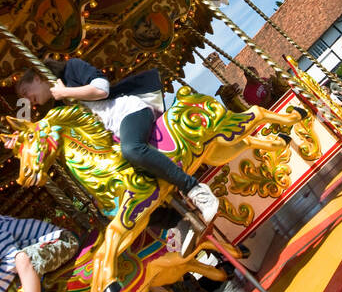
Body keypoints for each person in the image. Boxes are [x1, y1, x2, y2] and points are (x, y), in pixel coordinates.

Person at [17, 60, 219, 253]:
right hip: (114, 137)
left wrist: (66, 92)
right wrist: (19, 138)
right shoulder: (58, 108)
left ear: (37, 77)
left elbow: (102, 88)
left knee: (132, 149)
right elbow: (39, 132)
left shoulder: (72, 69)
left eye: (25, 92)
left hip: (130, 114)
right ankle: (178, 221)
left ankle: (195, 189)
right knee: (118, 200)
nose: (27, 100)